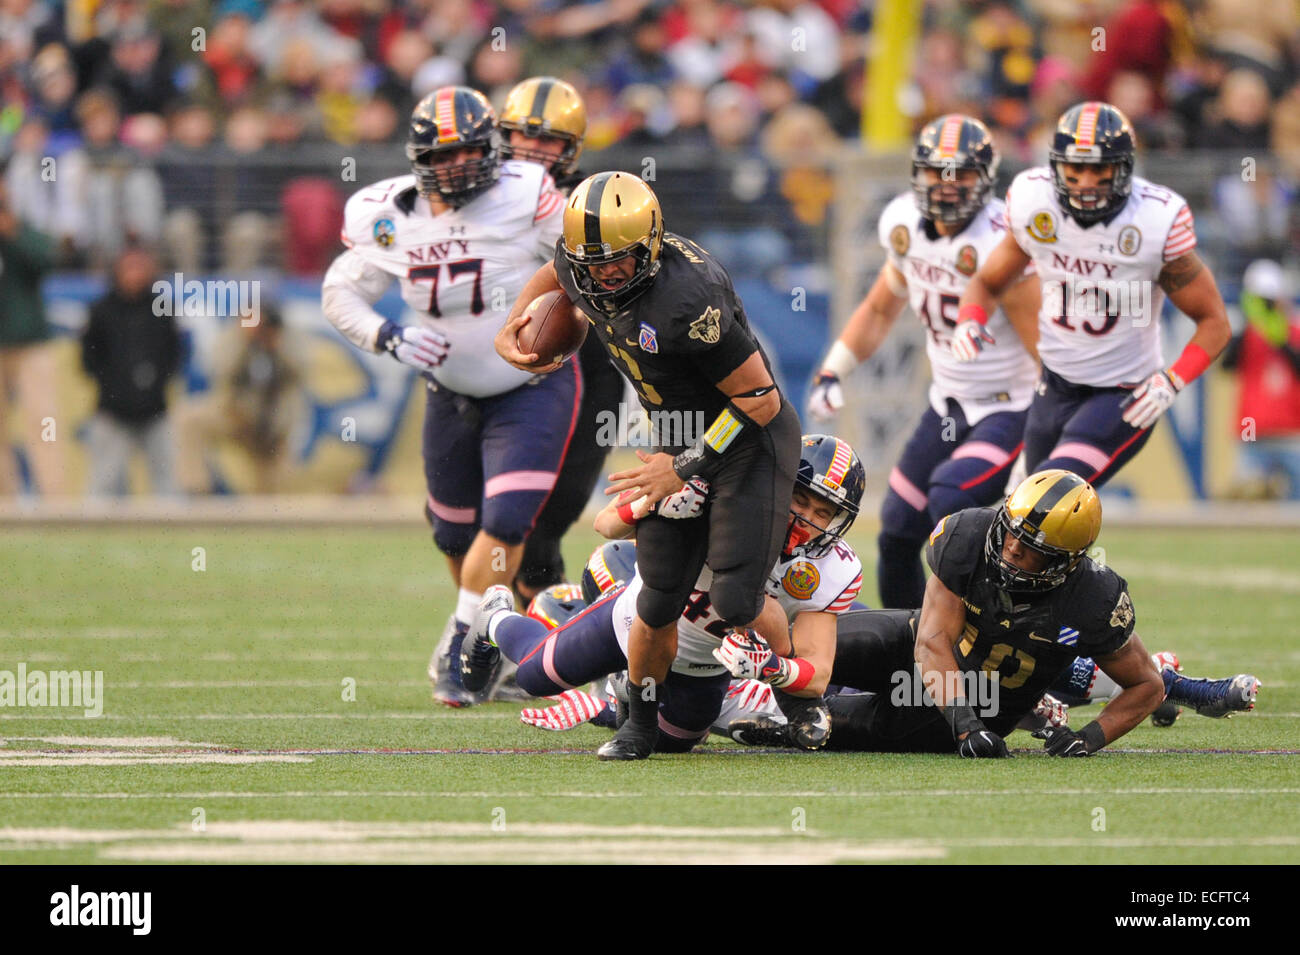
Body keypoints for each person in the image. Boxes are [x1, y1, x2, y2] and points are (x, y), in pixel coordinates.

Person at [496, 171, 803, 760]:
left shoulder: (689, 298)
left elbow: (761, 400)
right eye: (593, 262)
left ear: (652, 246)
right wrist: (516, 321)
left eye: (619, 261)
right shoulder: (581, 262)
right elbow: (556, 272)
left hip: (748, 440)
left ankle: (795, 700)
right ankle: (638, 720)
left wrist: (682, 467)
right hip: (676, 435)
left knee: (736, 599)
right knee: (656, 596)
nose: (604, 274)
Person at [321, 86, 575, 707]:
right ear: (416, 159)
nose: (456, 166)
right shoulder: (388, 214)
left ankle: (465, 640)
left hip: (531, 385)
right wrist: (388, 335)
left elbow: (584, 258)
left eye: (467, 151)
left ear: (492, 148)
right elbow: (340, 291)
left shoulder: (528, 194)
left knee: (509, 520)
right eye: (441, 156)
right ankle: (477, 622)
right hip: (449, 393)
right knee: (452, 534)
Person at [721, 469, 1259, 755]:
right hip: (931, 659)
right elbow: (931, 640)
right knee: (806, 652)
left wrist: (1090, 739)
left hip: (985, 695)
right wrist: (963, 725)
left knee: (804, 724)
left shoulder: (1092, 596)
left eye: (1029, 551)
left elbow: (1144, 685)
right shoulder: (970, 534)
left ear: (1066, 562)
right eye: (1011, 537)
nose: (1009, 553)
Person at [461, 434, 866, 752]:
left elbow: (817, 673)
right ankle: (495, 616)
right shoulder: (728, 499)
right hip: (634, 621)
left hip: (704, 667)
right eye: (800, 499)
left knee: (673, 742)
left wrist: (771, 668)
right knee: (535, 678)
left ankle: (618, 693)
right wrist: (654, 503)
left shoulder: (830, 569)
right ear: (778, 486)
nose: (807, 518)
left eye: (823, 513)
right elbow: (605, 524)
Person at [808, 115, 1041, 609]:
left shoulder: (1002, 240)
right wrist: (834, 369)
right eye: (937, 172)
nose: (947, 185)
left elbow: (1046, 350)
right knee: (896, 531)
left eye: (961, 173)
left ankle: (981, 634)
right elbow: (878, 308)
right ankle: (905, 650)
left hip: (1010, 405)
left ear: (986, 178)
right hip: (948, 405)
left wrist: (1039, 438)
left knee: (950, 502)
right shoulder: (903, 227)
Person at [957, 102, 1231, 487]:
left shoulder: (1154, 222)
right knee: (1026, 514)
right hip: (1054, 386)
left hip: (1122, 395)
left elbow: (1215, 321)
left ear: (1123, 169)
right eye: (1075, 169)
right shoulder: (1035, 203)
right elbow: (988, 282)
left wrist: (1173, 380)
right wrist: (971, 317)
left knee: (1044, 499)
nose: (1085, 181)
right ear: (1056, 168)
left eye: (1098, 169)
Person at [493, 76, 625, 603]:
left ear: (569, 149)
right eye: (522, 135)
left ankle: (542, 636)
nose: (531, 149)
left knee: (547, 520)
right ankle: (501, 630)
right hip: (500, 378)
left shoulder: (588, 199)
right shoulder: (475, 199)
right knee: (484, 521)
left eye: (546, 139)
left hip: (588, 375)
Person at [80, 244, 181, 496]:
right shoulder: (101, 310)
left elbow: (174, 354)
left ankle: (172, 536)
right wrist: (115, 389)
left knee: (167, 483)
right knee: (103, 481)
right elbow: (89, 359)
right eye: (129, 267)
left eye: (140, 267)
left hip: (156, 410)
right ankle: (91, 534)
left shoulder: (162, 309)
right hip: (112, 412)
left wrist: (154, 386)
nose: (134, 274)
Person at [176, 305, 306, 495]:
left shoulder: (287, 339)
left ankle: (266, 515)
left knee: (275, 494)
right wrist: (244, 338)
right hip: (235, 415)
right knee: (190, 418)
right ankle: (196, 490)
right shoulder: (236, 339)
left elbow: (301, 370)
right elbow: (221, 369)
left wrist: (276, 344)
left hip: (273, 426)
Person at [0, 174, 65, 496]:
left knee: (44, 424)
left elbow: (48, 259)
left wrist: (13, 233)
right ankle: (5, 505)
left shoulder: (20, 227)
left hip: (30, 344)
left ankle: (55, 502)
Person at [1221, 260, 1300, 499]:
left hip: (1289, 427)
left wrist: (1279, 337)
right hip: (1251, 426)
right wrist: (1248, 324)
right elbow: (1227, 365)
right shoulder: (1247, 334)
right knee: (1247, 492)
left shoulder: (1293, 330)